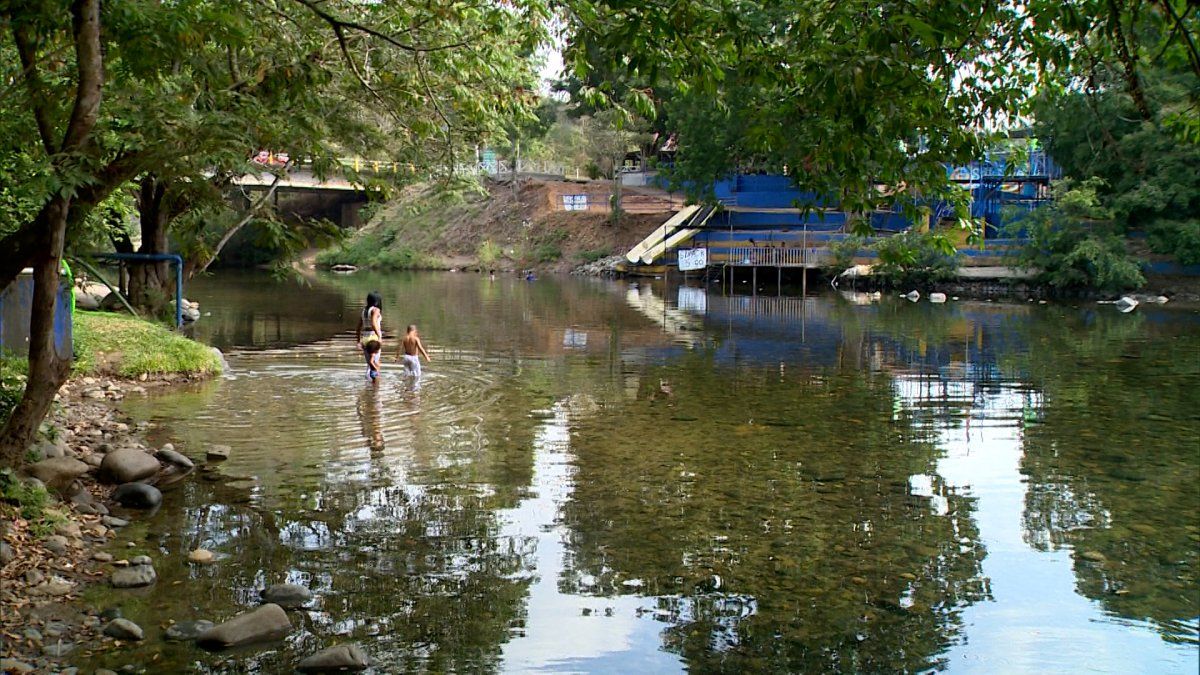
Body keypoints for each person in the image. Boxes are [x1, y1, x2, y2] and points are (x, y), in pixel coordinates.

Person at [356, 291, 384, 380]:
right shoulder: (376, 310)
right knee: (375, 363)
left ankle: (369, 385)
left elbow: (358, 327)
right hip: (373, 337)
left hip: (365, 338)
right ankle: (374, 386)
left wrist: (358, 340)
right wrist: (379, 336)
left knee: (369, 363)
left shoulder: (364, 311)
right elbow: (373, 323)